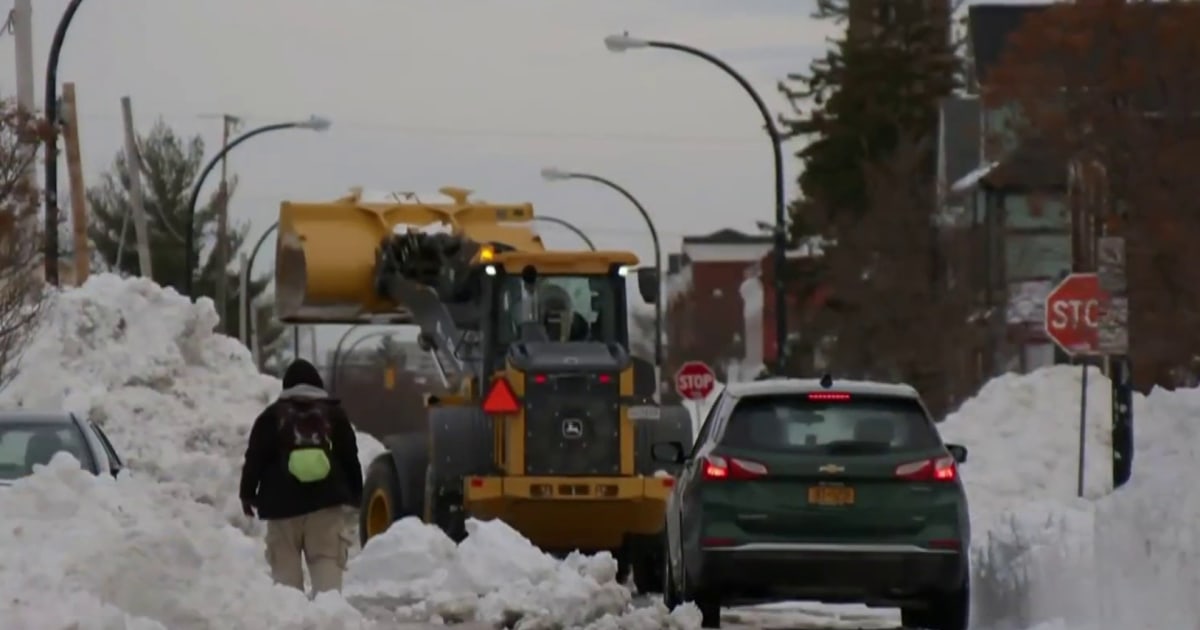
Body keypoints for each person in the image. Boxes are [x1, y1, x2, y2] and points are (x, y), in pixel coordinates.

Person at [239, 358, 363, 595]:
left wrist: (247, 494)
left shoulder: (271, 416)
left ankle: (290, 619)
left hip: (281, 505)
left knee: (285, 578)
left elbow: (255, 457)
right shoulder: (334, 415)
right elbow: (350, 456)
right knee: (326, 565)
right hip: (326, 505)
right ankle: (329, 618)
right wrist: (356, 493)